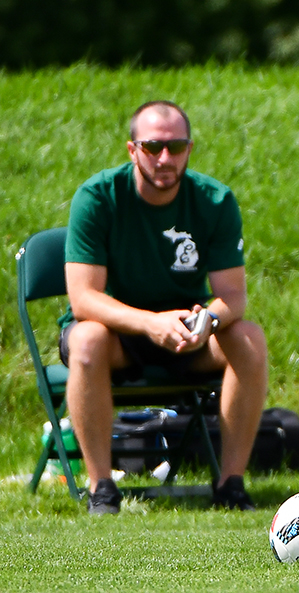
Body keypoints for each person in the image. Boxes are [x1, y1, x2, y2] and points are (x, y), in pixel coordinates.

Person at [60, 100, 269, 515]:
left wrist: (207, 321)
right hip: (116, 335)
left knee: (247, 337)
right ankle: (101, 488)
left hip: (184, 337)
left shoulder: (214, 200)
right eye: (153, 147)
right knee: (85, 339)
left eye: (176, 147)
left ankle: (231, 485)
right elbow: (83, 299)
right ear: (132, 149)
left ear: (190, 149)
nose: (165, 158)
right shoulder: (98, 197)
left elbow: (234, 296)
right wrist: (150, 323)